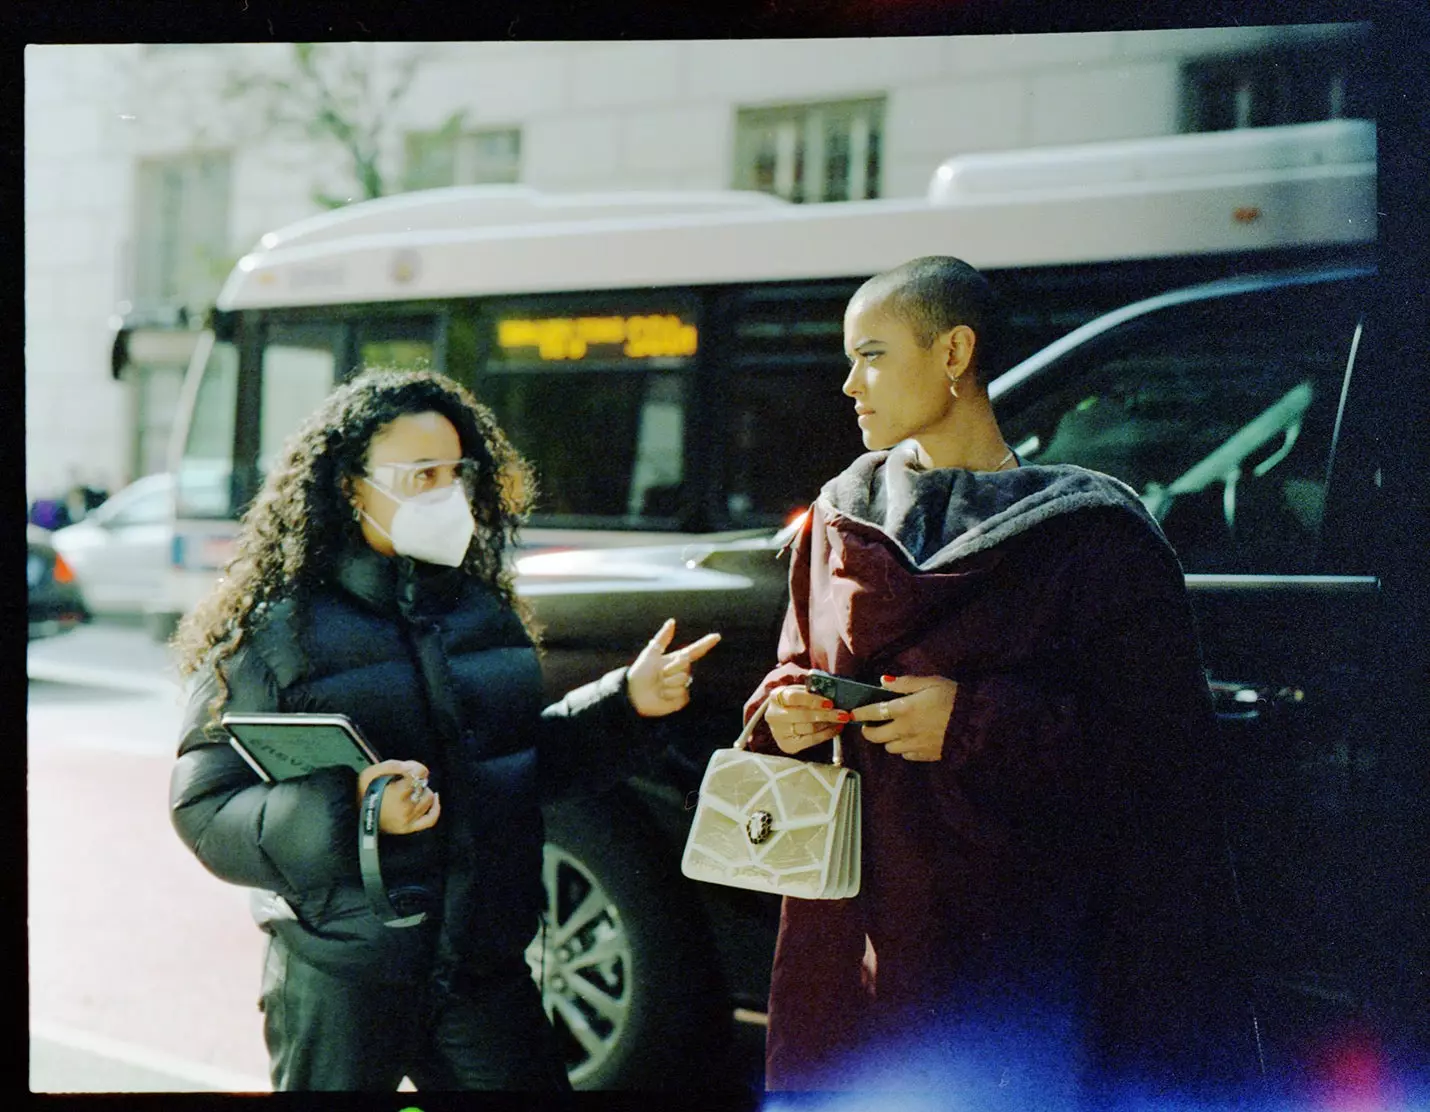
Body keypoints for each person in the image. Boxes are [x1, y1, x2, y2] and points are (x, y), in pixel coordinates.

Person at [743, 257, 1260, 1104]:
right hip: (861, 933)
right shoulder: (834, 525)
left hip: (1026, 942)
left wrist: (973, 721)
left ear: (954, 352)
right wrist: (786, 713)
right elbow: (791, 667)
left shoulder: (1095, 540)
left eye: (871, 355)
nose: (848, 385)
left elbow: (1163, 759)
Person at [168, 367, 719, 1092]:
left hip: (485, 974)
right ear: (348, 485)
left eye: (456, 473)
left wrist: (626, 706)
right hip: (343, 978)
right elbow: (204, 807)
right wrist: (356, 813)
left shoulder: (481, 614)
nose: (446, 493)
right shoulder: (273, 635)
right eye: (420, 473)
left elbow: (518, 767)